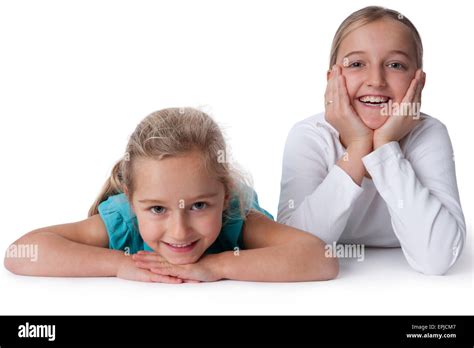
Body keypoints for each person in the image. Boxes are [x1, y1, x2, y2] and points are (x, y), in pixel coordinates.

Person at [5, 107, 338, 283]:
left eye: (198, 205)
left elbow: (320, 259)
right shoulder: (123, 221)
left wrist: (217, 265)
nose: (179, 231)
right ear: (131, 200)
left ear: (224, 196)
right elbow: (21, 253)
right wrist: (120, 265)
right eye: (157, 209)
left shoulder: (235, 216)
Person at [277, 6, 465, 275]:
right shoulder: (308, 136)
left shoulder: (429, 134)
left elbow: (437, 258)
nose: (375, 81)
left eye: (395, 65)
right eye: (356, 64)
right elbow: (293, 249)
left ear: (418, 82)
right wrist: (357, 147)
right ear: (332, 79)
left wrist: (386, 146)